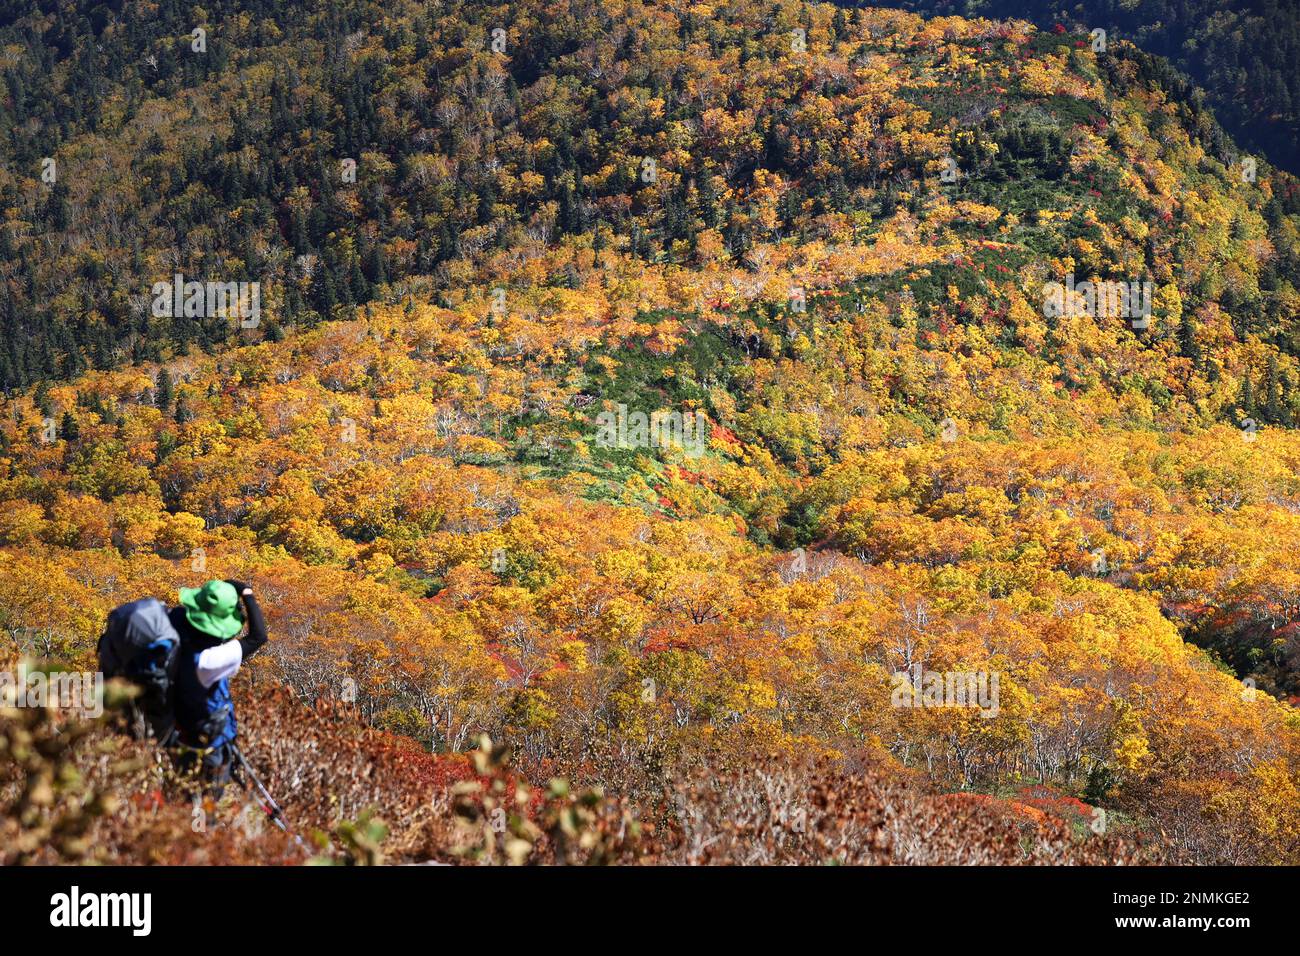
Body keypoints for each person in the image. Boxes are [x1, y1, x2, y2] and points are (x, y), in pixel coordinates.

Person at [169, 579, 268, 800]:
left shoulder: (176, 624)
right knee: (205, 803)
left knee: (183, 797)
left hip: (180, 734)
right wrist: (247, 593)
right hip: (209, 745)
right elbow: (258, 637)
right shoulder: (208, 660)